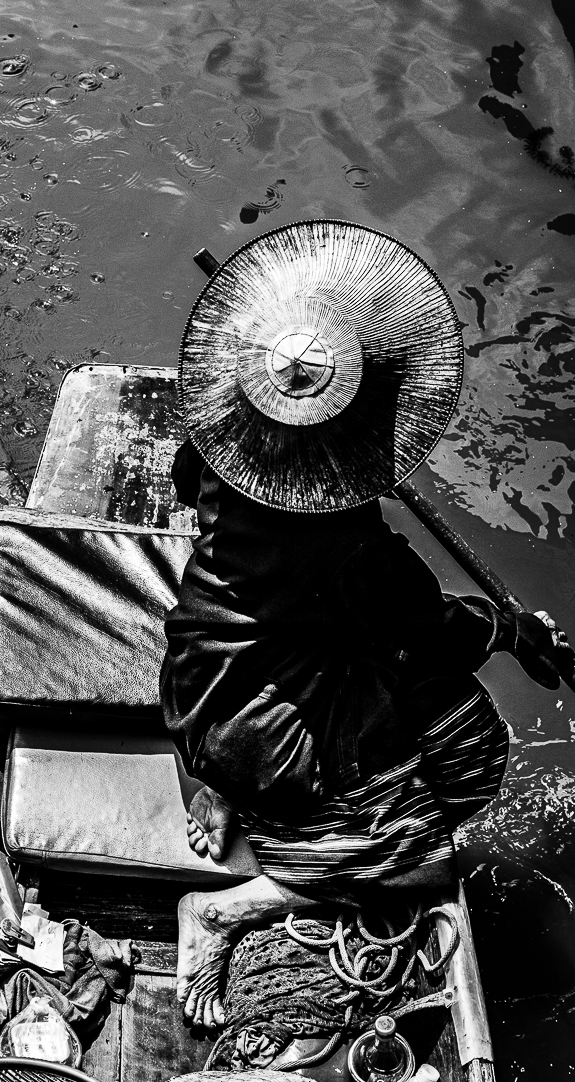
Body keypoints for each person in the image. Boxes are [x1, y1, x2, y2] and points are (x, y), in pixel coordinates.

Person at [162, 221, 570, 1032]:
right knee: (459, 772)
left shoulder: (221, 450)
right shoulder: (344, 541)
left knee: (377, 677)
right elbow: (425, 627)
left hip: (199, 685)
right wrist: (512, 631)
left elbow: (196, 496)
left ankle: (227, 790)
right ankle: (227, 908)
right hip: (254, 726)